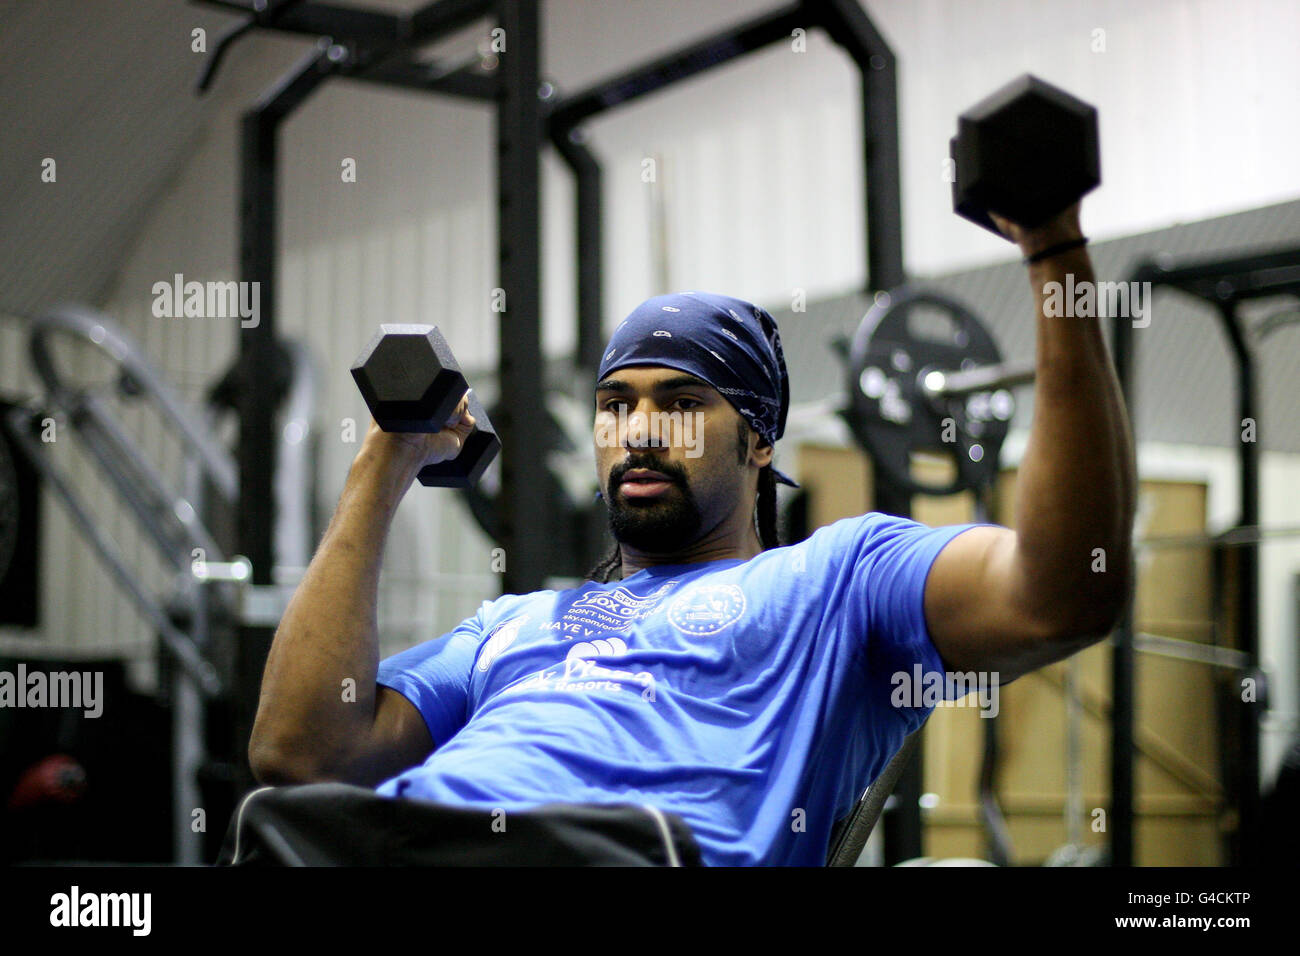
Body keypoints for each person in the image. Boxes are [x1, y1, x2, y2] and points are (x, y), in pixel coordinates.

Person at [242, 203, 1135, 866]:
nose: (637, 432)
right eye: (614, 405)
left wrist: (1054, 251)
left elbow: (1063, 593)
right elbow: (300, 753)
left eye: (680, 403)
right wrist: (385, 463)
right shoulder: (508, 626)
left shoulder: (842, 579)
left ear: (758, 439)